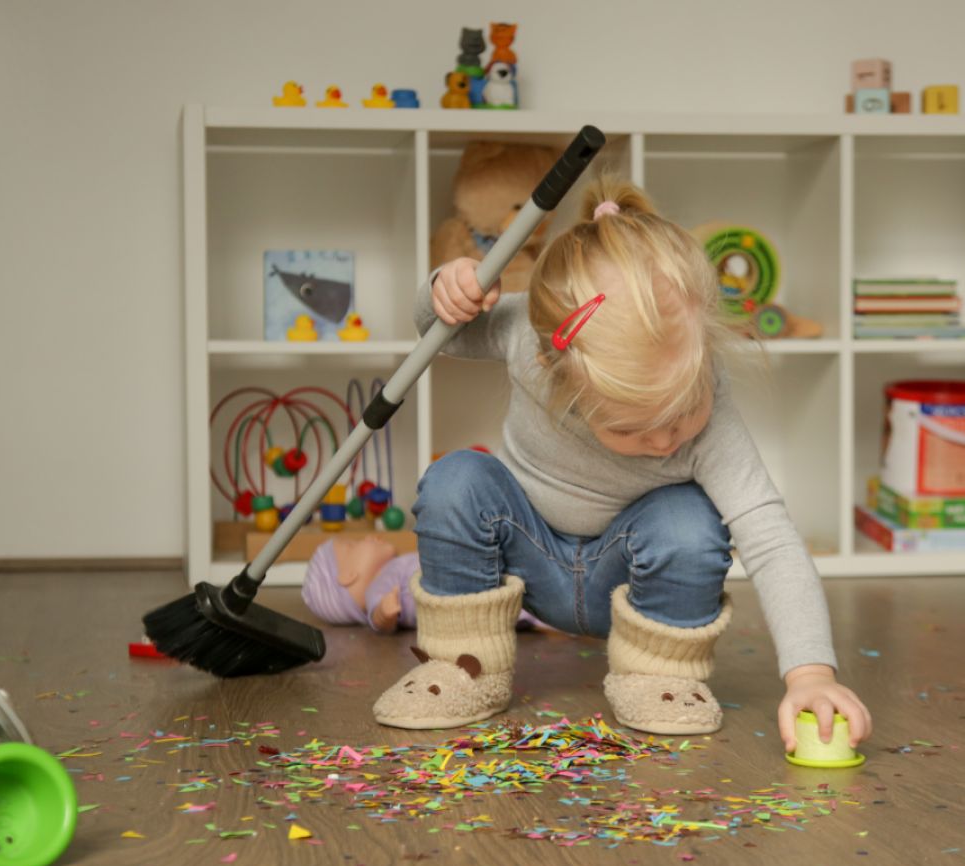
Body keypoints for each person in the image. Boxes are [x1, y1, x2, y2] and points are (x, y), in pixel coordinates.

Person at [373, 176, 873, 752]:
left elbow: (771, 538)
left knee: (689, 518)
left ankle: (660, 678)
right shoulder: (532, 340)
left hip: (634, 583)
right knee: (456, 478)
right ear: (552, 367)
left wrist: (811, 674)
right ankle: (462, 668)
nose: (665, 440)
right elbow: (438, 333)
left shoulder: (712, 410)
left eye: (682, 411)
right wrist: (446, 288)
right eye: (631, 427)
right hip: (523, 559)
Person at [302, 534, 543, 633]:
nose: (366, 537)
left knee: (512, 599)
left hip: (464, 588)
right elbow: (377, 613)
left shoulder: (392, 569)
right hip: (460, 594)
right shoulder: (378, 585)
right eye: (354, 544)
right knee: (511, 597)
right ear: (348, 576)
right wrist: (383, 614)